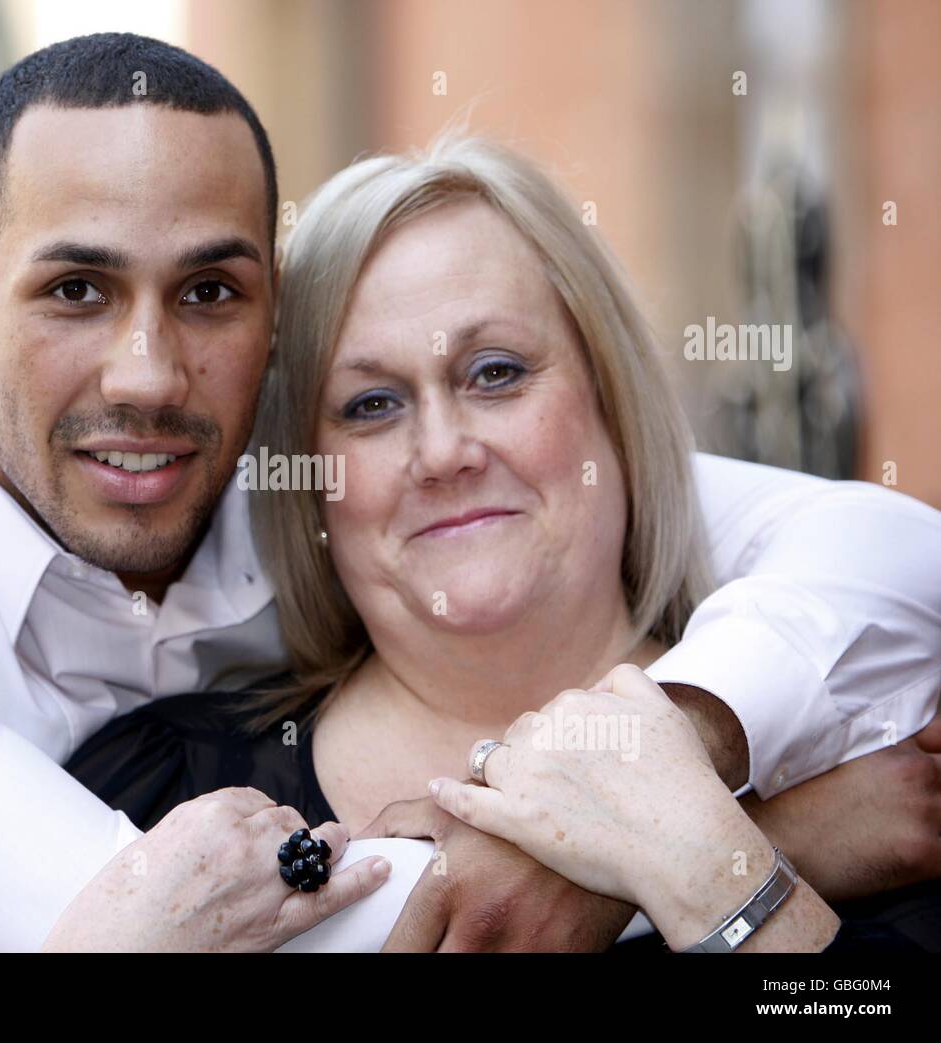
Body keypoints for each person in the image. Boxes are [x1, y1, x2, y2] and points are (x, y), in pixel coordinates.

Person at [0, 34, 941, 953]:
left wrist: (689, 740)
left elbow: (877, 544)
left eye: (209, 291)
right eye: (74, 290)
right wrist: (753, 846)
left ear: (268, 331)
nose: (149, 371)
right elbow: (161, 933)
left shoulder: (283, 492)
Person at [62, 133, 941, 952]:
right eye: (371, 404)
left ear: (609, 395)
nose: (443, 452)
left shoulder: (873, 746)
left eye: (497, 373)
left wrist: (717, 868)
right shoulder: (151, 793)